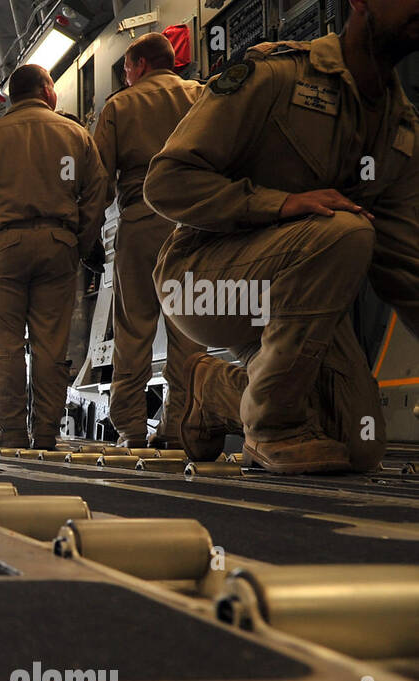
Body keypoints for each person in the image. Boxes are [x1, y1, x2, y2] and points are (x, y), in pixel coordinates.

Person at [145, 0, 419, 473]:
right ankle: (273, 426)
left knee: (359, 445)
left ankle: (212, 391)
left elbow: (406, 265)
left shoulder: (401, 129)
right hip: (203, 284)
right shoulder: (276, 76)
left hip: (299, 298)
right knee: (347, 231)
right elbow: (166, 182)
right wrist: (278, 204)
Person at [0, 64, 108, 450]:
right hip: (58, 245)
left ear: (13, 96)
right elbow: (98, 192)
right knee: (50, 344)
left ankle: (12, 430)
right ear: (46, 89)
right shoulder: (75, 134)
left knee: (4, 344)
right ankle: (47, 433)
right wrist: (80, 243)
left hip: (3, 248)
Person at [93, 32, 205, 449]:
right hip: (193, 225)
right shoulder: (201, 95)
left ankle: (131, 428)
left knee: (134, 328)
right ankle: (182, 425)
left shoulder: (120, 105)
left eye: (125, 70)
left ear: (139, 65)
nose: (125, 78)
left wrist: (90, 230)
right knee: (189, 329)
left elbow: (100, 178)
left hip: (140, 222)